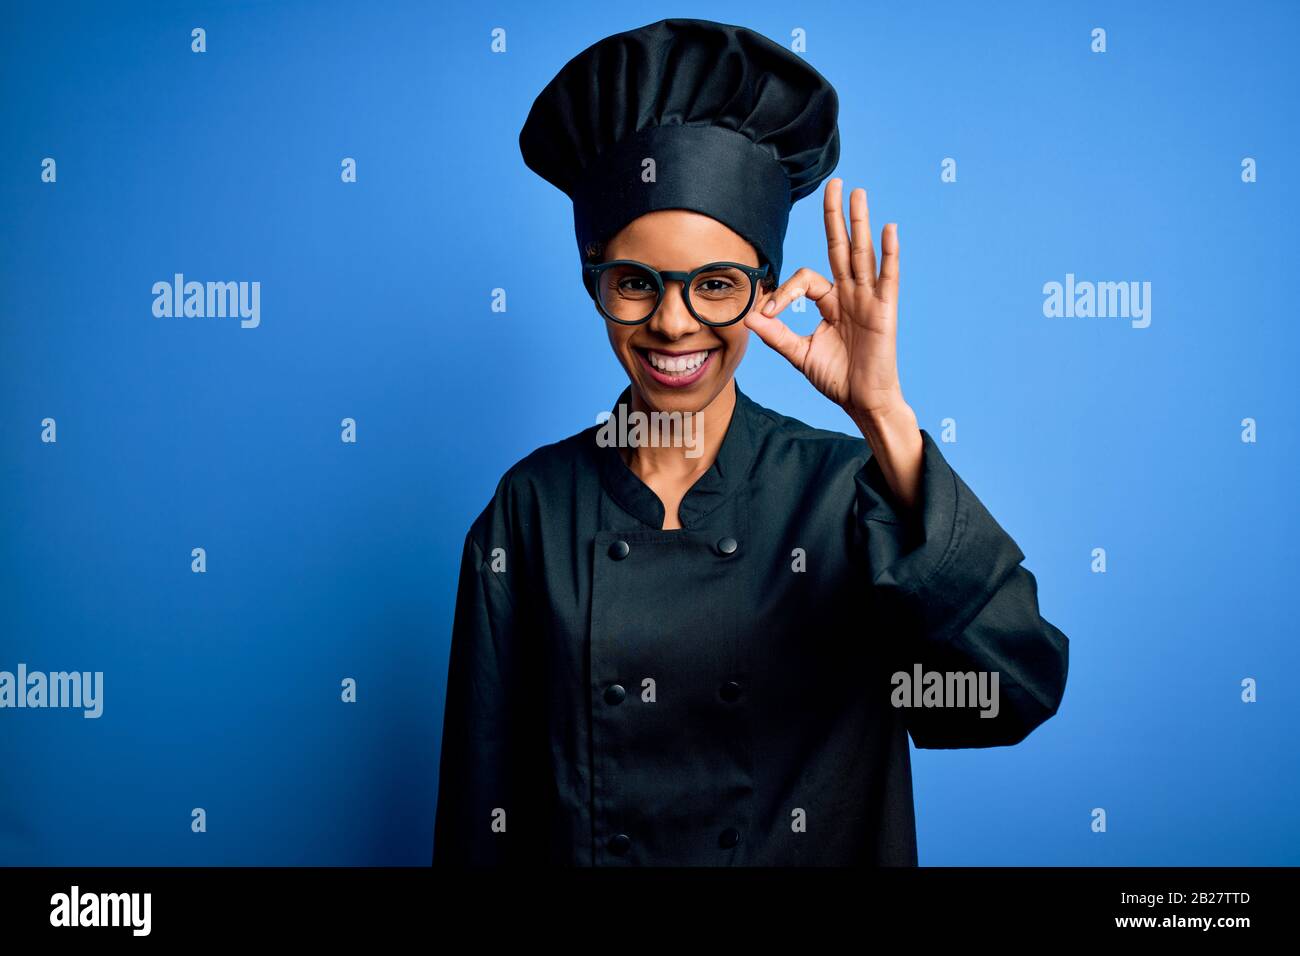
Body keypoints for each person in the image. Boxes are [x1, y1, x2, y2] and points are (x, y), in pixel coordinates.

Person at [433, 17, 1068, 866]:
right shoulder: (530, 510)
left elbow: (1009, 694)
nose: (672, 321)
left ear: (766, 292)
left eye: (716, 285)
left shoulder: (848, 495)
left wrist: (883, 414)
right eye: (635, 283)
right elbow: (483, 816)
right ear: (595, 286)